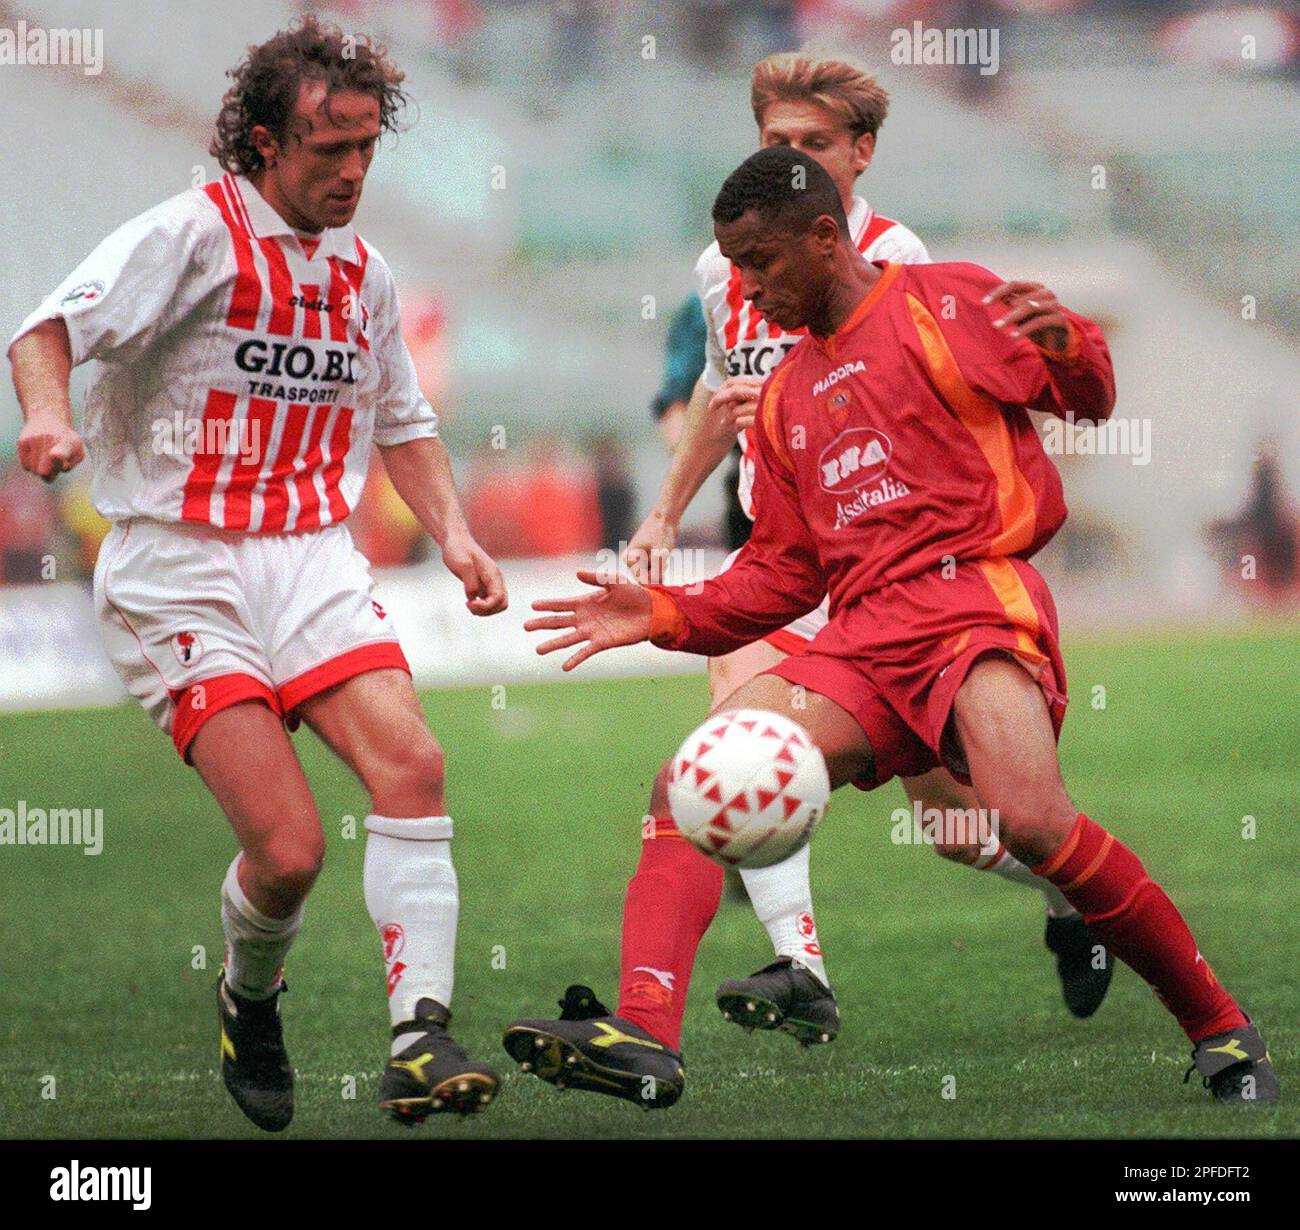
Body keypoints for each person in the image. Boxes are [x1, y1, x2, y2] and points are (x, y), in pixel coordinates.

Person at [505, 146, 1277, 1110]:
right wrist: (661, 613)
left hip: (973, 608)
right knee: (685, 778)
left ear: (826, 238)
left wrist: (1073, 345)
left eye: (760, 264)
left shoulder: (945, 304)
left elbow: (1090, 400)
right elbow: (781, 577)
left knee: (1030, 820)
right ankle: (645, 1034)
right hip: (865, 637)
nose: (744, 288)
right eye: (732, 268)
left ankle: (1219, 1026)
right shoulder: (785, 395)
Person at [8, 17, 507, 1131]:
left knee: (414, 766)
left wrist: (459, 537)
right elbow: (43, 329)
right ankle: (249, 997)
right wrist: (47, 419)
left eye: (369, 149)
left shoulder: (363, 274)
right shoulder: (188, 235)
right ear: (266, 142)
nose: (352, 173)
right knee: (288, 854)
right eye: (329, 149)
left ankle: (420, 1037)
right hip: (176, 569)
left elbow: (402, 420)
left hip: (308, 561)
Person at [620, 51, 1111, 1072]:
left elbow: (949, 408)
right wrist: (662, 516)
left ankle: (1078, 899)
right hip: (775, 556)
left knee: (957, 826)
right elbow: (720, 400)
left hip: (886, 576)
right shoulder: (724, 266)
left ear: (857, 156)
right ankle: (797, 969)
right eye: (773, 142)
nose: (791, 157)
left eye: (811, 144)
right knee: (725, 760)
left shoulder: (897, 259)